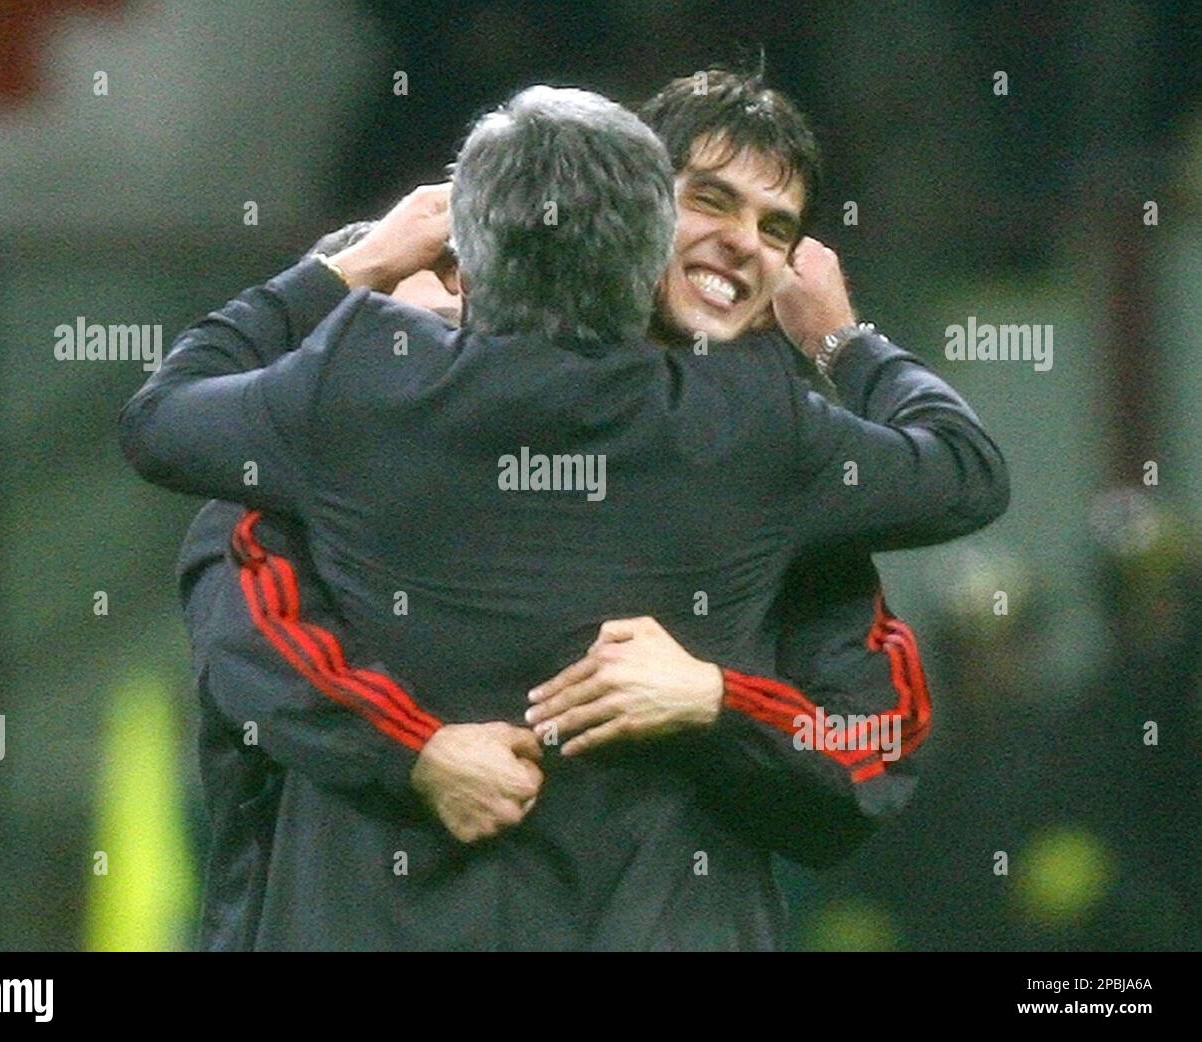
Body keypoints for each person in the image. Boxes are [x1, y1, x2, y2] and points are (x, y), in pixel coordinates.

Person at [121, 85, 1008, 949]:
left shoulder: (779, 460)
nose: (740, 244)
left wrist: (717, 701)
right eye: (710, 200)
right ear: (640, 216)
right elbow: (260, 673)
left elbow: (865, 760)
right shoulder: (765, 440)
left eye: (775, 227)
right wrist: (414, 750)